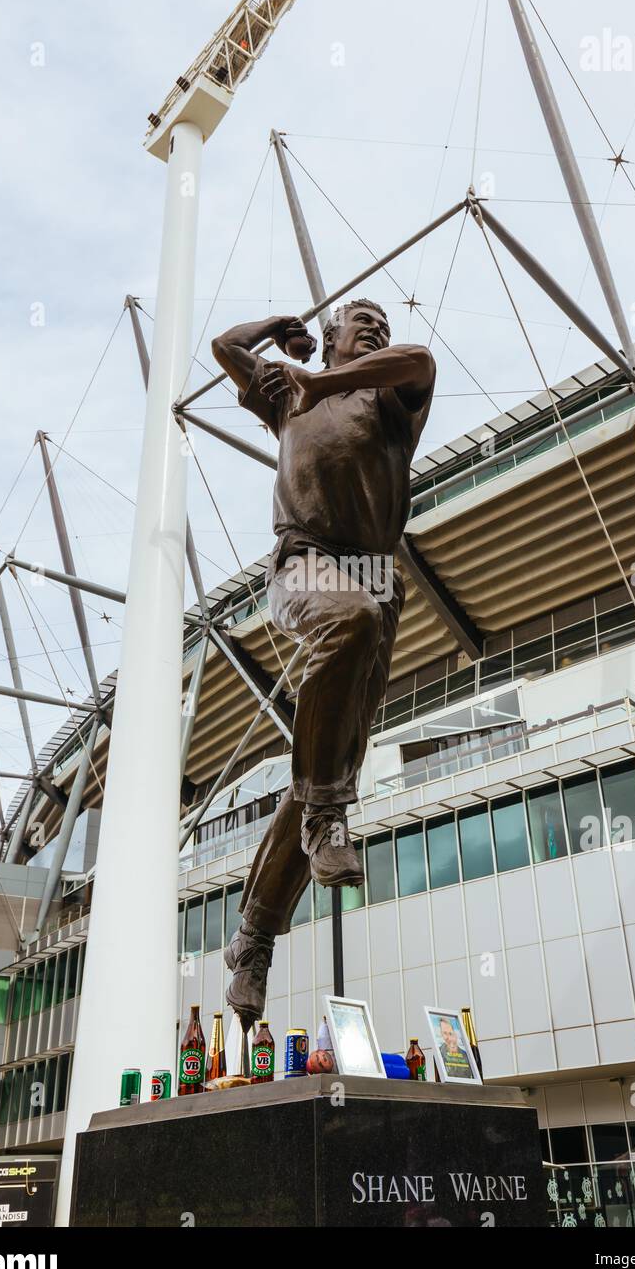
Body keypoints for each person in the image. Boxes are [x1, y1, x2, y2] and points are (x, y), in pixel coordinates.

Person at [210, 300, 435, 1026]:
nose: (372, 325)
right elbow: (224, 345)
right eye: (356, 318)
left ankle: (253, 942)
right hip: (306, 563)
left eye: (380, 319)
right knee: (350, 623)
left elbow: (415, 360)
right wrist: (279, 327)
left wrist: (320, 382)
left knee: (329, 761)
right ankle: (329, 814)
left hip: (375, 572)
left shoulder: (393, 390)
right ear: (329, 336)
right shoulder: (288, 398)